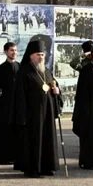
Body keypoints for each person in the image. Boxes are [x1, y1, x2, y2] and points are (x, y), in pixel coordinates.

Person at [13, 39, 61, 178]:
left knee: (47, 139)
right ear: (31, 56)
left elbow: (52, 87)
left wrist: (57, 90)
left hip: (47, 112)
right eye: (38, 54)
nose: (41, 57)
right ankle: (32, 168)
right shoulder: (24, 72)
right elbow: (20, 96)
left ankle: (46, 166)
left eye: (43, 54)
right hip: (32, 114)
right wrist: (21, 115)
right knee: (34, 141)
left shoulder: (46, 71)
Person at [0, 42, 20, 165]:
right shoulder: (0, 69)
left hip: (19, 105)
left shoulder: (21, 67)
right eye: (11, 50)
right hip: (5, 104)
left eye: (15, 50)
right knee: (5, 131)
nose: (14, 52)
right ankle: (5, 156)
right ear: (5, 52)